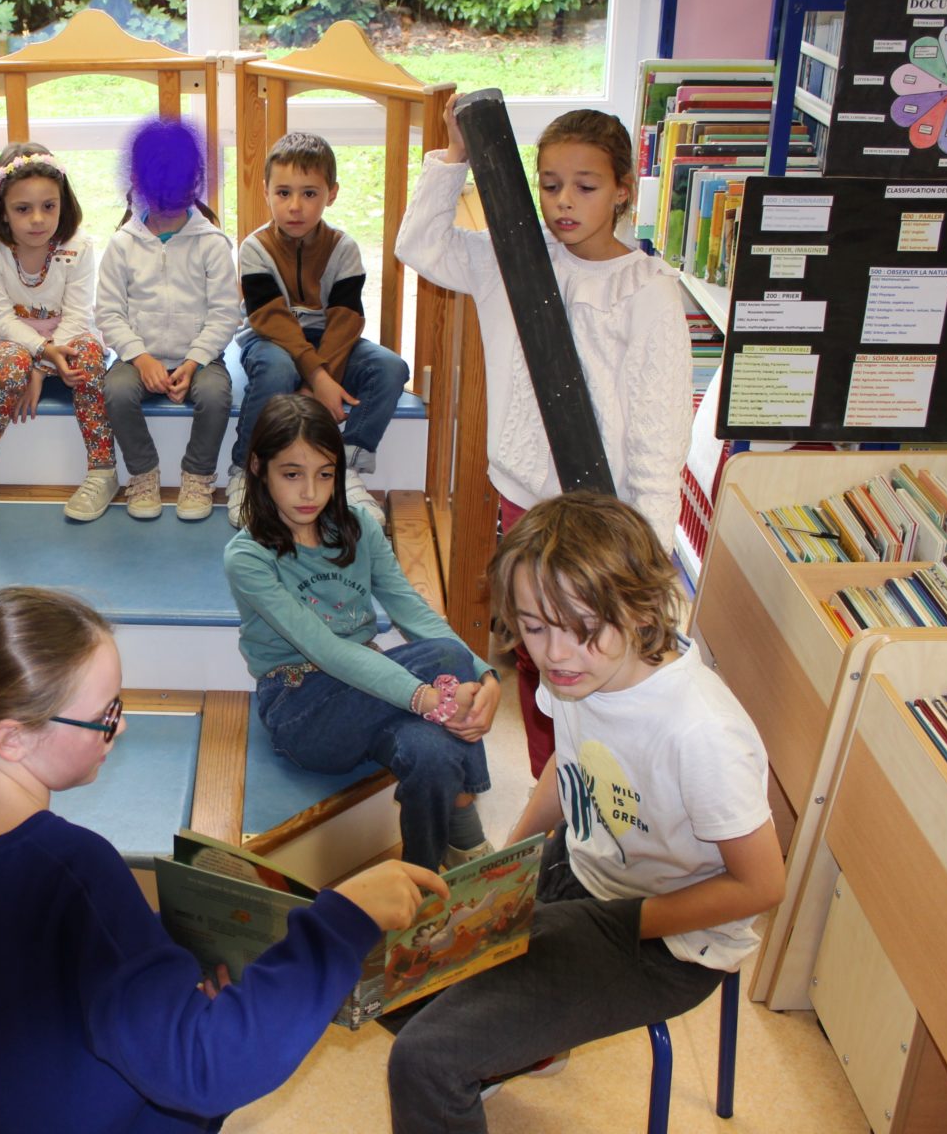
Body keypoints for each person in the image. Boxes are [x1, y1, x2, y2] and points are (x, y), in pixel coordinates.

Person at [0, 585, 448, 1134]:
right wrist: (341, 922)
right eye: (105, 715)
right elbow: (207, 1066)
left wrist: (159, 966)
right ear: (13, 737)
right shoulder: (73, 869)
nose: (122, 725)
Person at [388, 491, 784, 1133]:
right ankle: (525, 1039)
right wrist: (506, 869)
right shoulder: (581, 673)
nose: (556, 654)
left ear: (640, 608)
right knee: (396, 971)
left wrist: (624, 925)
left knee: (424, 1060)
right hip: (585, 868)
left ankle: (505, 1041)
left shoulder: (701, 733)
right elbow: (567, 764)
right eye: (535, 627)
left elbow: (763, 884)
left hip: (667, 939)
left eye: (584, 628)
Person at [394, 105, 691, 777]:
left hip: (606, 521)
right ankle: (548, 784)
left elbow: (658, 436)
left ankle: (601, 788)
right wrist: (454, 156)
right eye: (550, 183)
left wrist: (649, 552)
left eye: (585, 186)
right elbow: (420, 245)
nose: (563, 201)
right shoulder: (513, 259)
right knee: (538, 653)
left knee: (597, 661)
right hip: (526, 502)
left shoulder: (646, 293)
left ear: (624, 189)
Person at [224, 395, 499, 871]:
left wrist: (487, 676)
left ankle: (422, 878)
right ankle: (463, 812)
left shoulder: (358, 530)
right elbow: (326, 650)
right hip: (301, 706)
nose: (310, 491)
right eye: (292, 474)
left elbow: (412, 609)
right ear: (258, 468)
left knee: (432, 750)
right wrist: (425, 698)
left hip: (369, 690)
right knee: (439, 661)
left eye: (325, 474)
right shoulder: (248, 557)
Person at [230, 132, 408, 530]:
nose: (295, 206)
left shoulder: (343, 248)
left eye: (310, 193)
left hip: (330, 341)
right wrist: (316, 376)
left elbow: (346, 318)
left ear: (332, 194)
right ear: (266, 192)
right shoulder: (254, 247)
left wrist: (320, 376)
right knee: (277, 369)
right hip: (269, 339)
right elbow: (271, 319)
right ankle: (245, 469)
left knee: (391, 368)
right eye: (284, 193)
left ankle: (344, 464)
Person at [0, 142, 116, 522]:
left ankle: (103, 470)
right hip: (17, 337)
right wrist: (38, 355)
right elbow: (3, 319)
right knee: (11, 368)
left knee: (87, 363)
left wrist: (42, 368)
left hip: (70, 335)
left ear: (63, 203)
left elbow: (78, 316)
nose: (38, 220)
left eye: (49, 206)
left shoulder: (79, 246)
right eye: (22, 209)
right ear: (2, 211)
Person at [97, 117, 239, 522]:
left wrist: (194, 361)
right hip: (137, 357)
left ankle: (197, 475)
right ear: (138, 183)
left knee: (214, 397)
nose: (167, 203)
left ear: (194, 183)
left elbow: (225, 313)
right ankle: (142, 474)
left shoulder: (211, 242)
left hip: (202, 358)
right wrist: (141, 359)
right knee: (117, 392)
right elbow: (108, 312)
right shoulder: (123, 244)